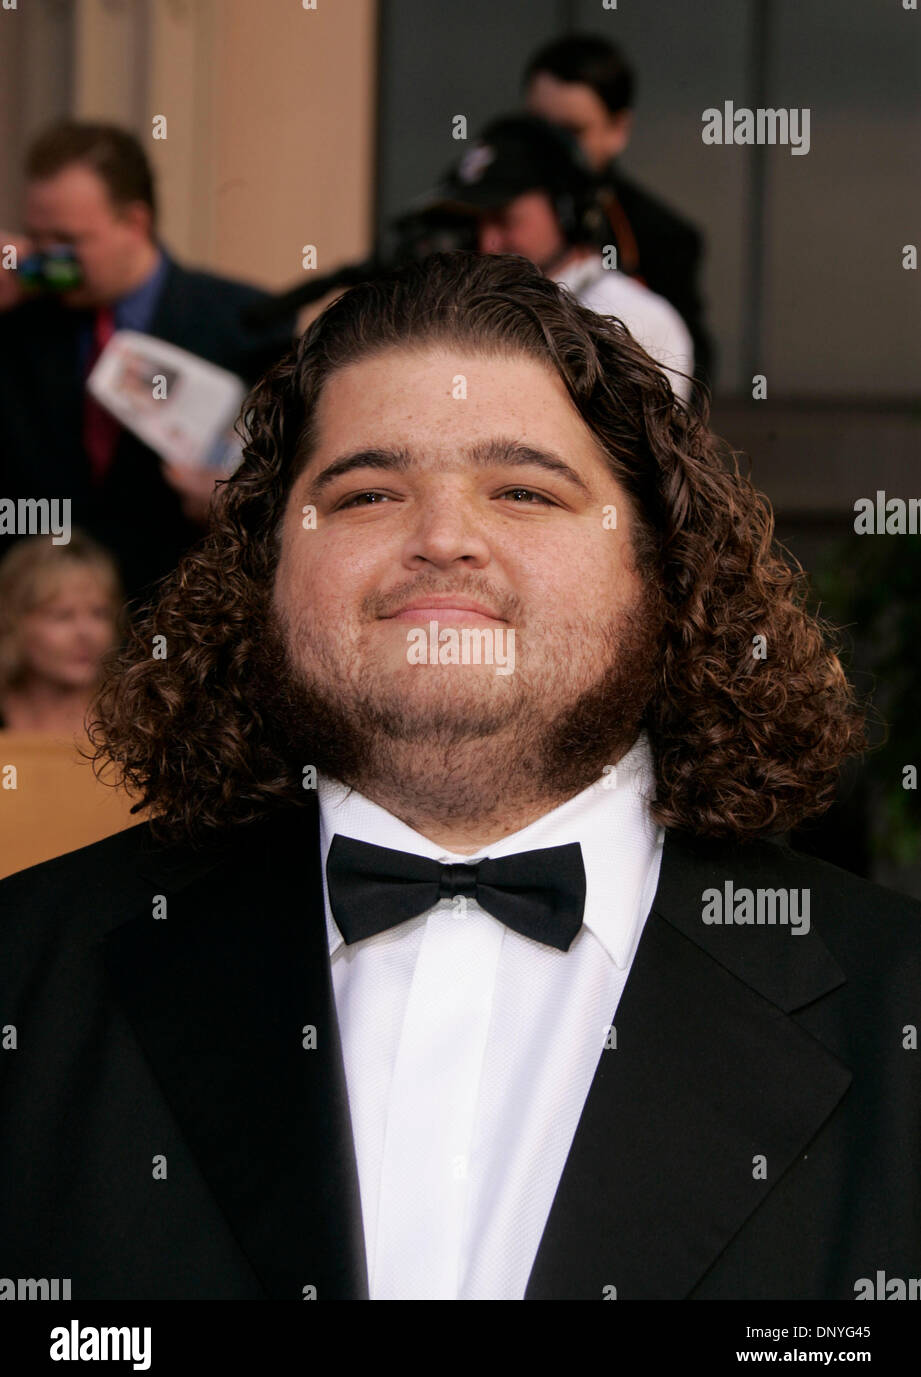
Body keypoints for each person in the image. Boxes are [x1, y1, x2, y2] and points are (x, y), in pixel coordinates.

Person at [0, 251, 917, 1301]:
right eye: (366, 493)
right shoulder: (29, 975)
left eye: (523, 489)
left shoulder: (898, 1012)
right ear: (266, 574)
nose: (441, 538)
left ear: (660, 570)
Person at [0, 121, 296, 607]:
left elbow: (288, 487)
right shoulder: (18, 322)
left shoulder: (250, 325)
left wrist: (239, 497)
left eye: (67, 242)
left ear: (134, 223)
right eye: (37, 239)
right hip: (36, 629)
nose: (50, 261)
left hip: (182, 626)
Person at [434, 114, 694, 404]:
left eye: (504, 219)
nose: (487, 243)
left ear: (567, 210)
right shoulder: (464, 307)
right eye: (477, 225)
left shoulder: (637, 316)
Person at [524, 33, 713, 386]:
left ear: (618, 130)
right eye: (537, 128)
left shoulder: (660, 236)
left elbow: (688, 373)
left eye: (571, 132)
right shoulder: (478, 212)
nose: (548, 148)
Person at [0, 531, 144, 876]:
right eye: (62, 616)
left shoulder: (143, 733)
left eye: (98, 613)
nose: (85, 632)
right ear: (15, 623)